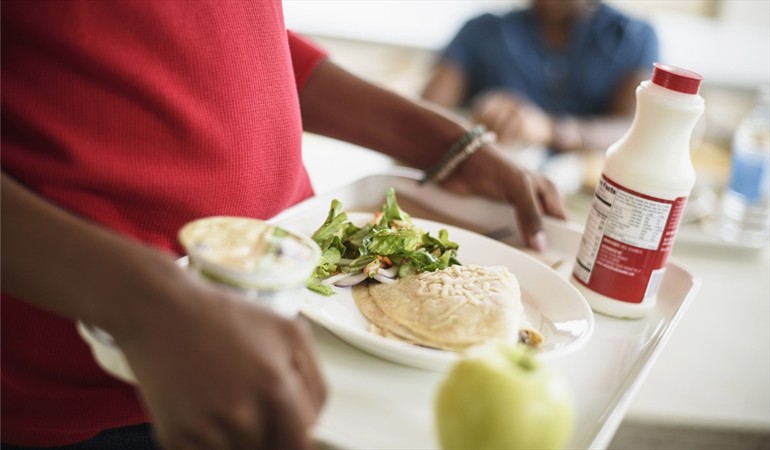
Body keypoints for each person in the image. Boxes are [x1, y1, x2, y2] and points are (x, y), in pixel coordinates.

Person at [1, 1, 567, 449]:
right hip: (96, 376)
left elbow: (244, 45)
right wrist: (143, 302)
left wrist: (447, 143)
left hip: (303, 323)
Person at [421, 0, 660, 154]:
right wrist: (477, 112)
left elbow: (633, 129)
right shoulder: (481, 30)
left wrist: (551, 130)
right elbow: (425, 113)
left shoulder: (635, 37)